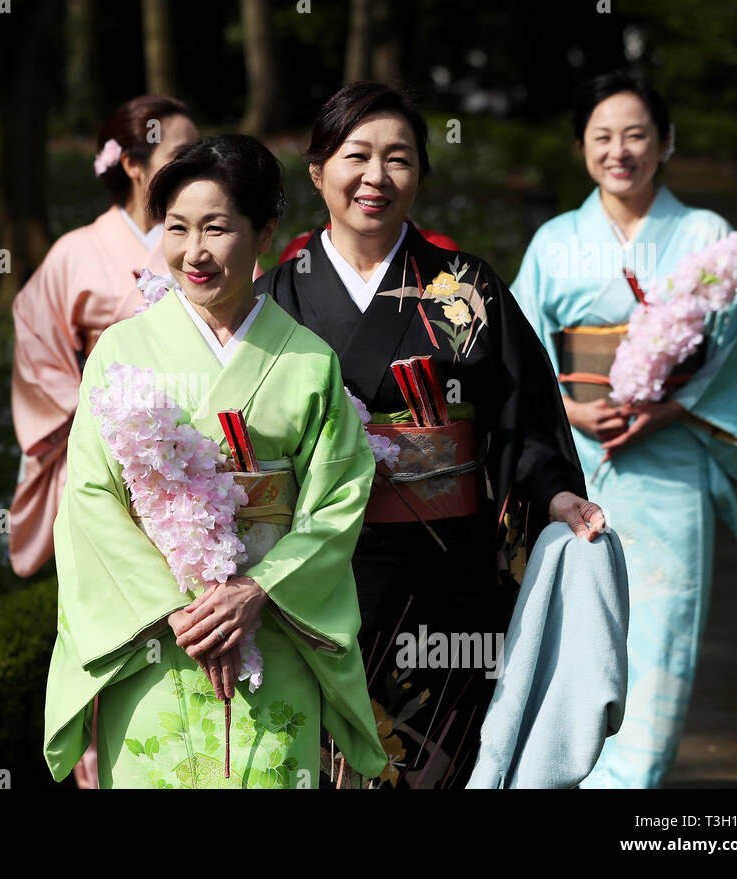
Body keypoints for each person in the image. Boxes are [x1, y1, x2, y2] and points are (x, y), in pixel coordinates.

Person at [257, 82, 604, 789]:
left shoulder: (467, 291)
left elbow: (521, 417)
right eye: (357, 156)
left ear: (421, 173)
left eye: (400, 159)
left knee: (436, 761)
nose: (376, 178)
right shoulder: (274, 299)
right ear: (318, 168)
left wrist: (556, 493)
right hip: (314, 583)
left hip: (445, 589)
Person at [44, 135, 387, 788]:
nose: (193, 252)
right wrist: (177, 608)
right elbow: (89, 500)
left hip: (273, 632)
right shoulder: (122, 350)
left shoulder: (308, 361)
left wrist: (256, 591)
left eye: (216, 228)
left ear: (264, 232)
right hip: (155, 639)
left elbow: (338, 500)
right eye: (176, 228)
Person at [510, 72, 737, 788]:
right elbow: (524, 357)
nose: (619, 150)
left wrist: (667, 407)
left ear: (665, 143)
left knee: (663, 636)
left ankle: (636, 784)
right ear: (581, 147)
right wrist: (568, 408)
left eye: (636, 135)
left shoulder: (707, 236)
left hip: (669, 461)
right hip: (575, 461)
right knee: (573, 631)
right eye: (602, 137)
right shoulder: (556, 241)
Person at [9, 95, 199, 581]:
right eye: (181, 156)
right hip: (103, 440)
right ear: (134, 163)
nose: (197, 169)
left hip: (200, 442)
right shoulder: (75, 252)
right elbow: (37, 345)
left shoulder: (219, 242)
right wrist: (104, 419)